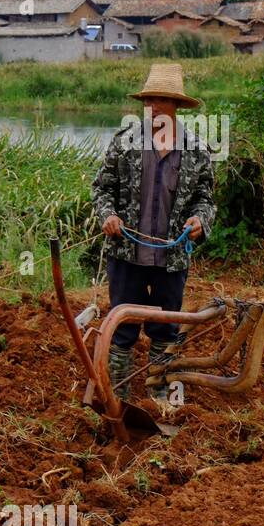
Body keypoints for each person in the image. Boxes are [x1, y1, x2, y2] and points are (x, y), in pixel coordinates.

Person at [91, 63, 216, 405]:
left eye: (163, 99)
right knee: (123, 324)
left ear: (177, 106)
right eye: (150, 100)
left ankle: (159, 393)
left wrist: (199, 221)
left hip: (171, 258)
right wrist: (109, 215)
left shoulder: (197, 151)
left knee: (165, 327)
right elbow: (102, 189)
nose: (155, 106)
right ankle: (117, 393)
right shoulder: (124, 143)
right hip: (127, 253)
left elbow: (206, 200)